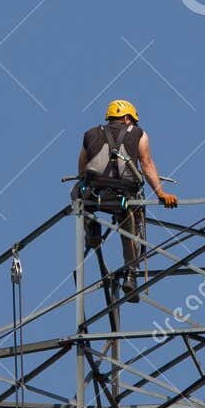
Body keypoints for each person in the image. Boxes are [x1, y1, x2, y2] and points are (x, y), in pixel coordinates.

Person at [74, 99, 177, 302]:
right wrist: (161, 193)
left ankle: (90, 226)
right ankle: (131, 273)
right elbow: (147, 165)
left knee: (77, 195)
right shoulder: (139, 134)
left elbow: (82, 168)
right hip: (123, 194)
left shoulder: (90, 134)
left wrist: (86, 187)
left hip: (95, 194)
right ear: (128, 118)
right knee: (130, 223)